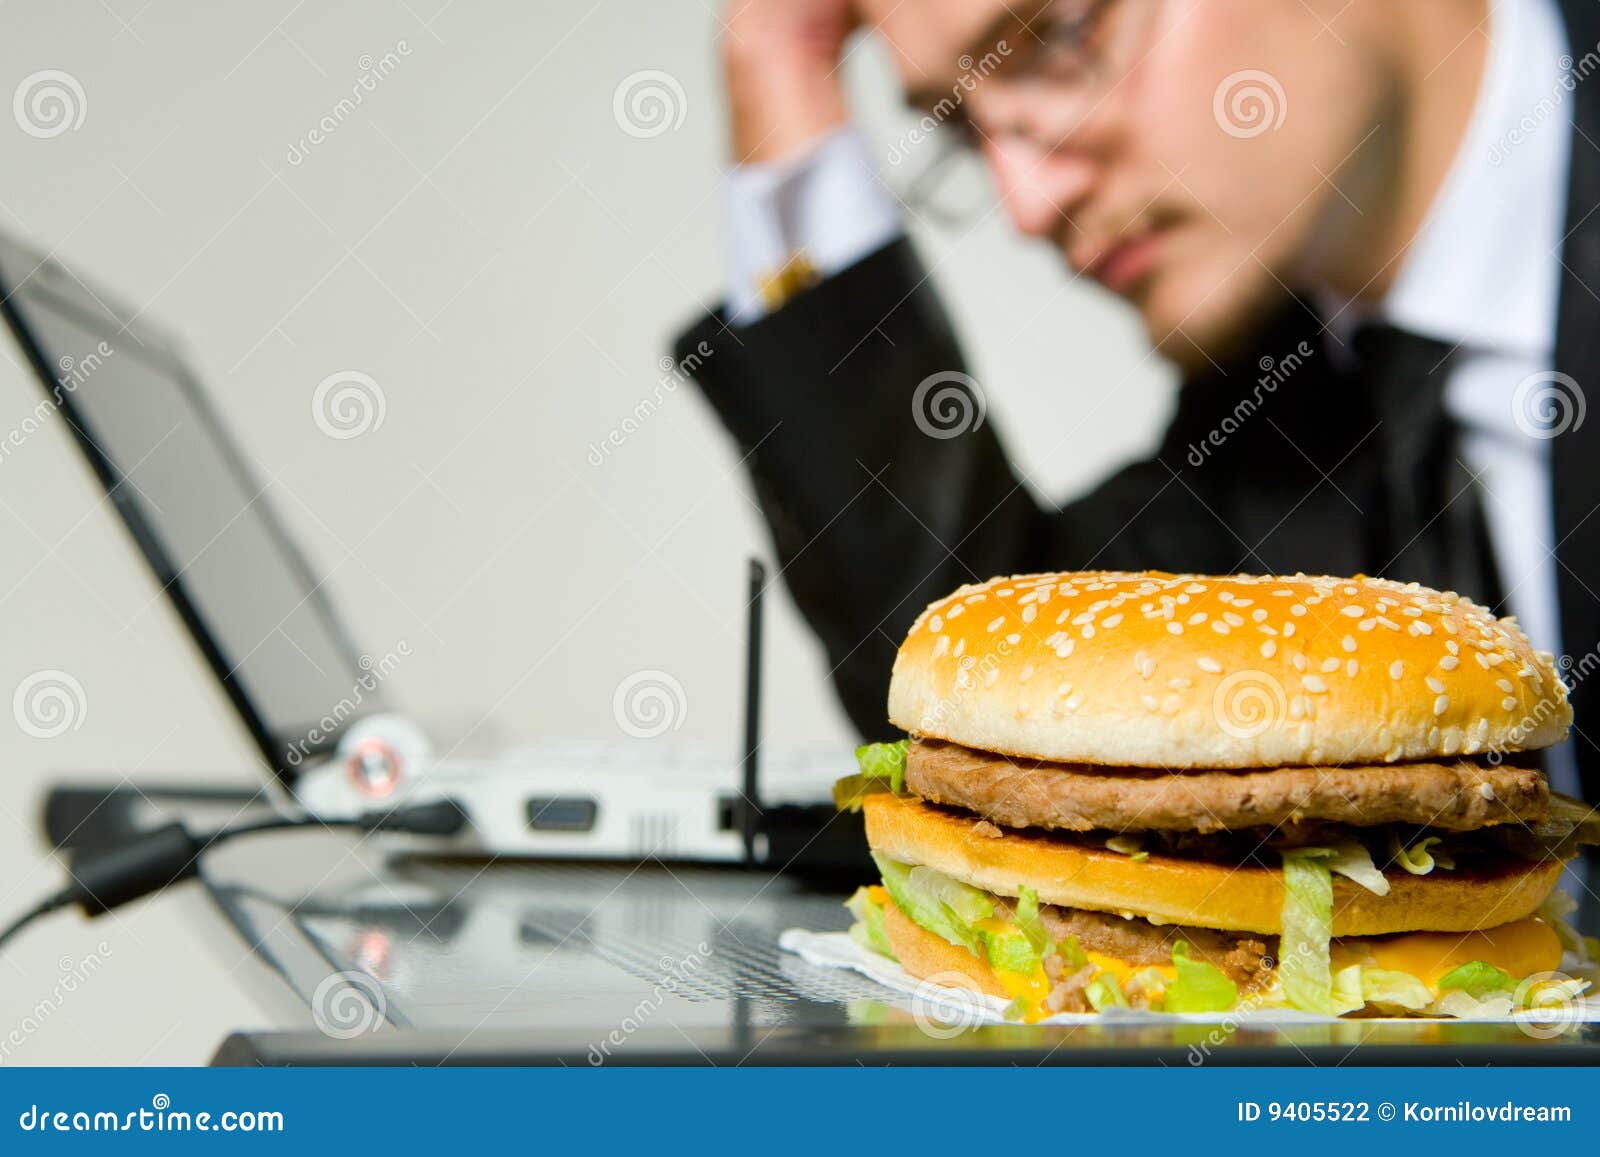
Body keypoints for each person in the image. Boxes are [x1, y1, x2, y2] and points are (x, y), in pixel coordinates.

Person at [674, 0, 1600, 807]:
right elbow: (985, 711)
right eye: (961, 131)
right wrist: (778, 60)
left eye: (1061, 33)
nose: (1027, 203)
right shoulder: (1275, 409)